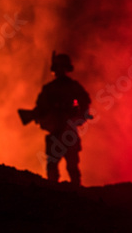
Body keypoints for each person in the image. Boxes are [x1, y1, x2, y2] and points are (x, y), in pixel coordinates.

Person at [30, 53, 91, 186]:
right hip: (56, 132)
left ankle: (77, 194)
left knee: (72, 168)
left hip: (68, 132)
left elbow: (85, 104)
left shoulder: (72, 87)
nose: (60, 70)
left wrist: (79, 118)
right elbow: (40, 109)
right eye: (58, 67)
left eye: (62, 67)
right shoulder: (49, 89)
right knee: (52, 168)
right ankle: (55, 195)